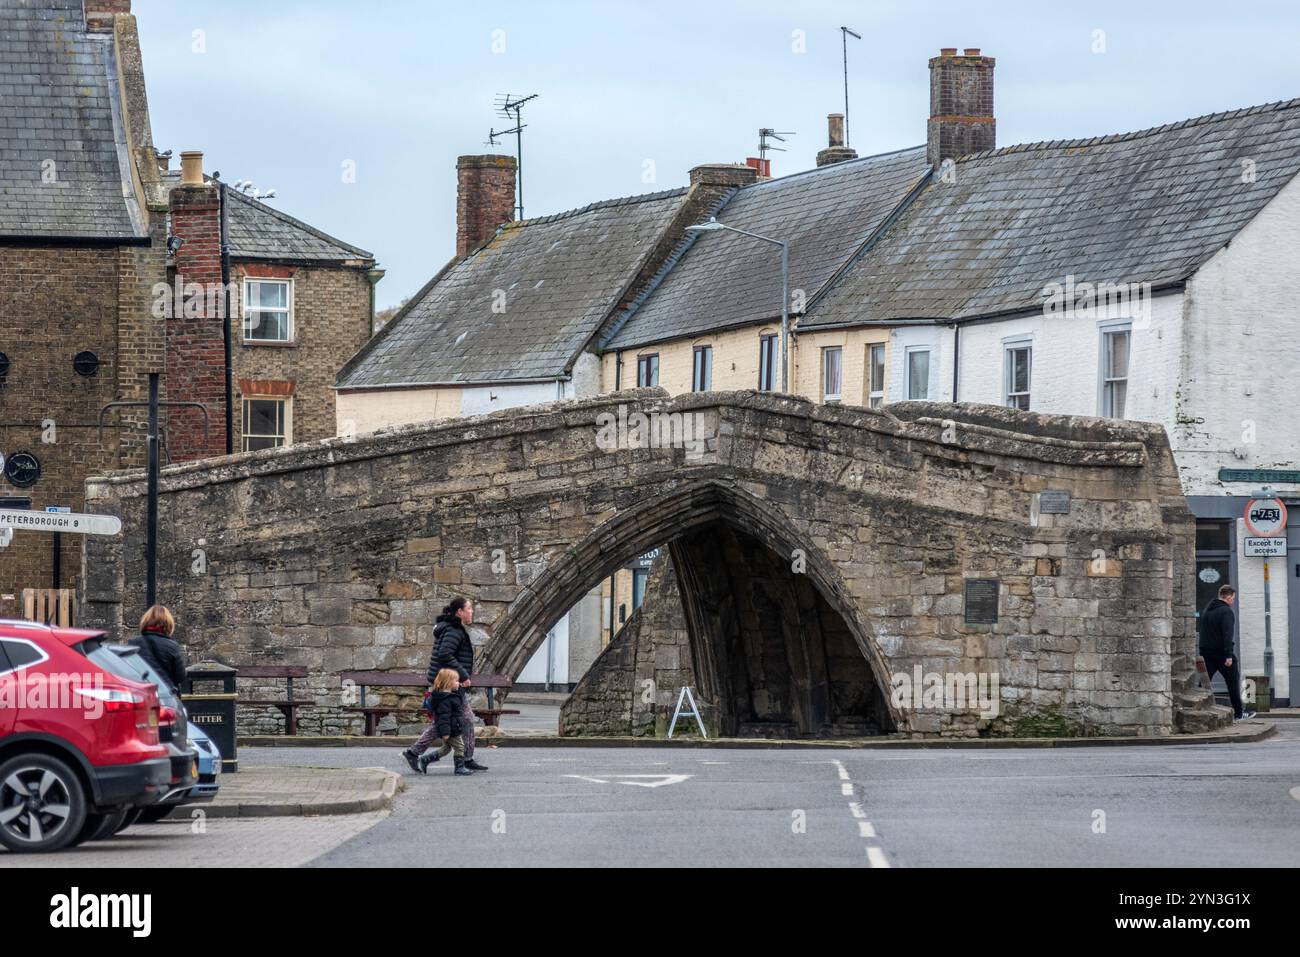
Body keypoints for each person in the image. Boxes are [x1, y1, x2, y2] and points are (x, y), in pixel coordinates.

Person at [400, 598, 489, 772]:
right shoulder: (453, 630)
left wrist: (465, 672)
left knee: (465, 719)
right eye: (469, 608)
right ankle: (414, 752)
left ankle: (466, 757)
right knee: (451, 720)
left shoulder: (452, 628)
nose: (472, 612)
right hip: (447, 683)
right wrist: (463, 675)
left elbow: (451, 655)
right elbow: (445, 654)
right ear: (459, 612)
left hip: (449, 681)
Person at [1200, 584, 1254, 721]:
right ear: (1228, 597)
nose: (1233, 601)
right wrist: (1228, 655)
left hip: (1207, 654)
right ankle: (1239, 714)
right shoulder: (1226, 612)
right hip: (1222, 655)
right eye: (1233, 598)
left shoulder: (1207, 610)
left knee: (1204, 684)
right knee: (1232, 683)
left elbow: (1204, 633)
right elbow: (1227, 635)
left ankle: (1197, 710)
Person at [417, 669, 474, 776]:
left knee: (446, 749)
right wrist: (446, 733)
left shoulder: (451, 695)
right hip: (450, 729)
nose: (459, 683)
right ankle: (459, 768)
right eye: (456, 681)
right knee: (460, 747)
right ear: (448, 683)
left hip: (454, 727)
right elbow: (443, 718)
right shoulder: (445, 700)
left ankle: (425, 760)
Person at [132, 604, 187, 692]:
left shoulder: (133, 643)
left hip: (141, 693)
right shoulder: (172, 646)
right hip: (165, 694)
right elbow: (180, 676)